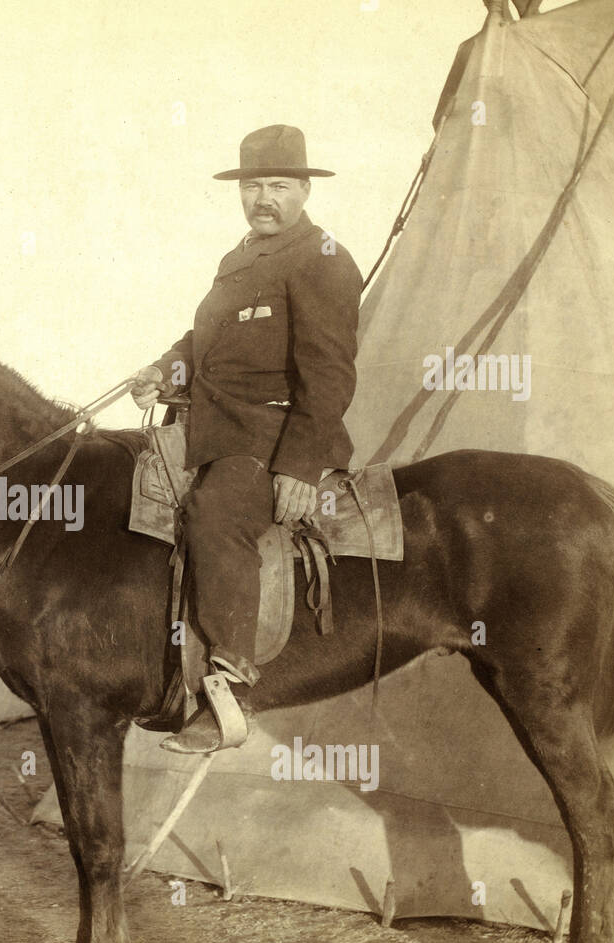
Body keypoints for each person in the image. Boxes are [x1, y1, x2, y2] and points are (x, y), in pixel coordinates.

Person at [131, 125, 363, 753]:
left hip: (272, 437)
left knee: (215, 516)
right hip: (212, 428)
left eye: (279, 186)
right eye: (254, 185)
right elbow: (199, 346)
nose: (264, 198)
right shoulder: (238, 259)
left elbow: (330, 375)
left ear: (305, 188)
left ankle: (231, 688)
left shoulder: (323, 258)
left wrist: (299, 468)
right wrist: (165, 371)